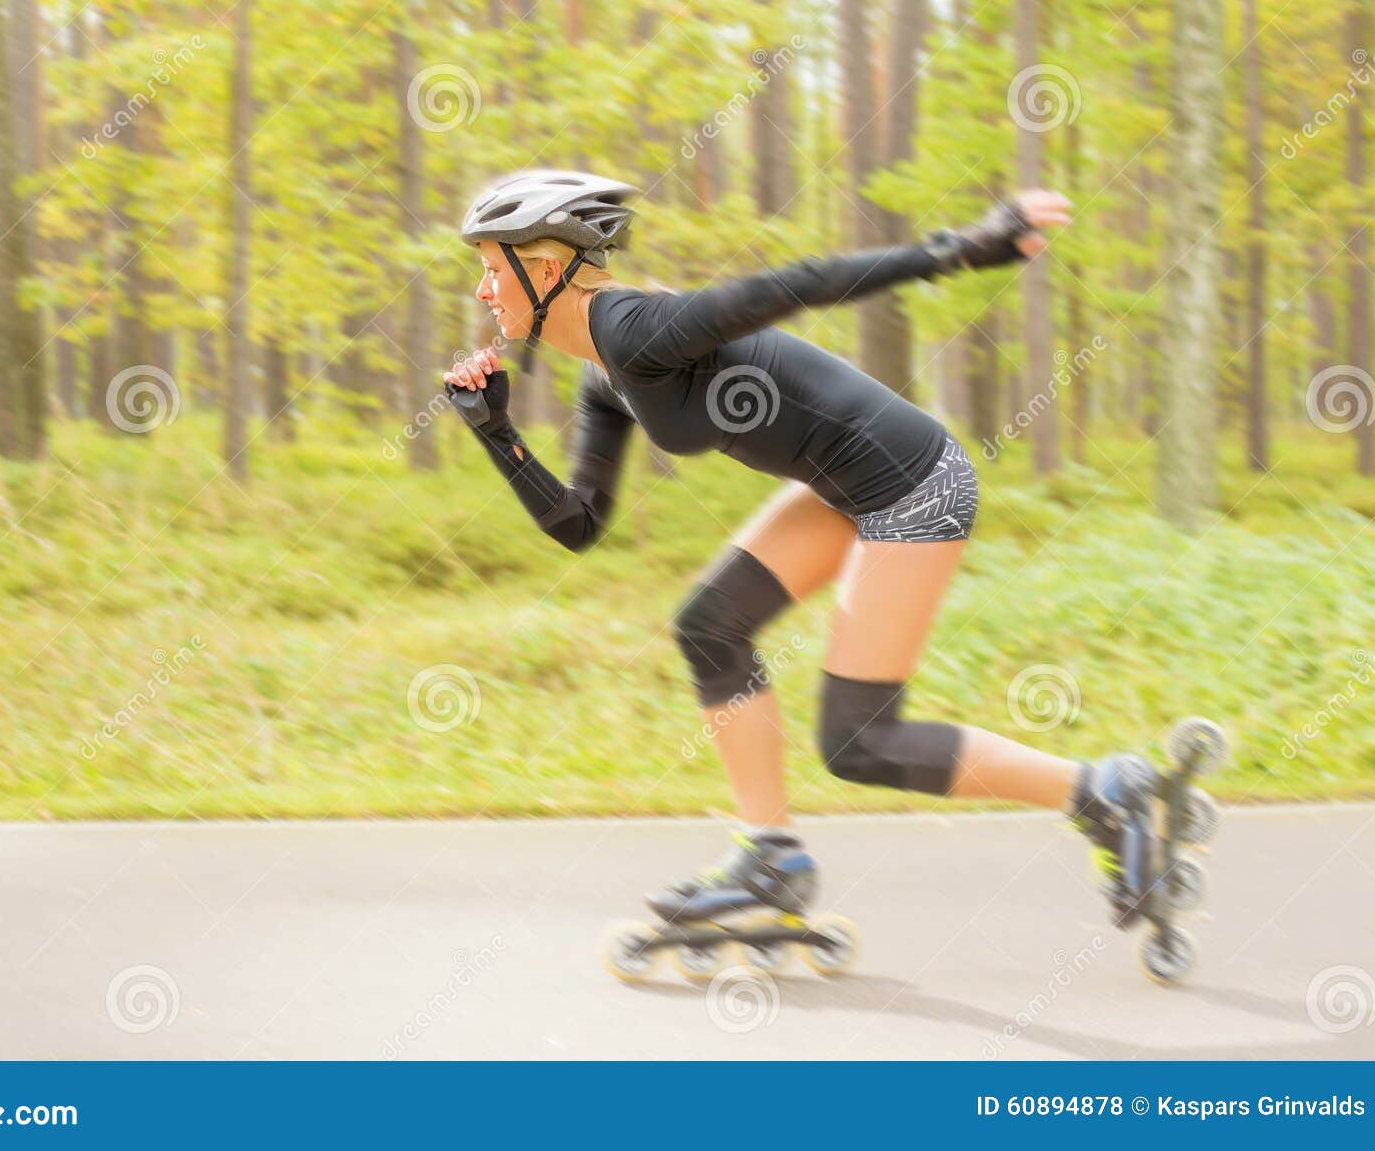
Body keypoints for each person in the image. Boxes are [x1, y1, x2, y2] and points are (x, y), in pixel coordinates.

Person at [442, 169, 1164, 937]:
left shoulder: (635, 328)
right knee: (708, 626)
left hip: (911, 482)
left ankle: (1101, 791)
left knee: (860, 741)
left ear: (545, 270)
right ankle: (771, 857)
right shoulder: (604, 374)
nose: (485, 290)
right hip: (842, 483)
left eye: (493, 267)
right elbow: (581, 524)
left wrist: (962, 250)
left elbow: (798, 283)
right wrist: (497, 434)